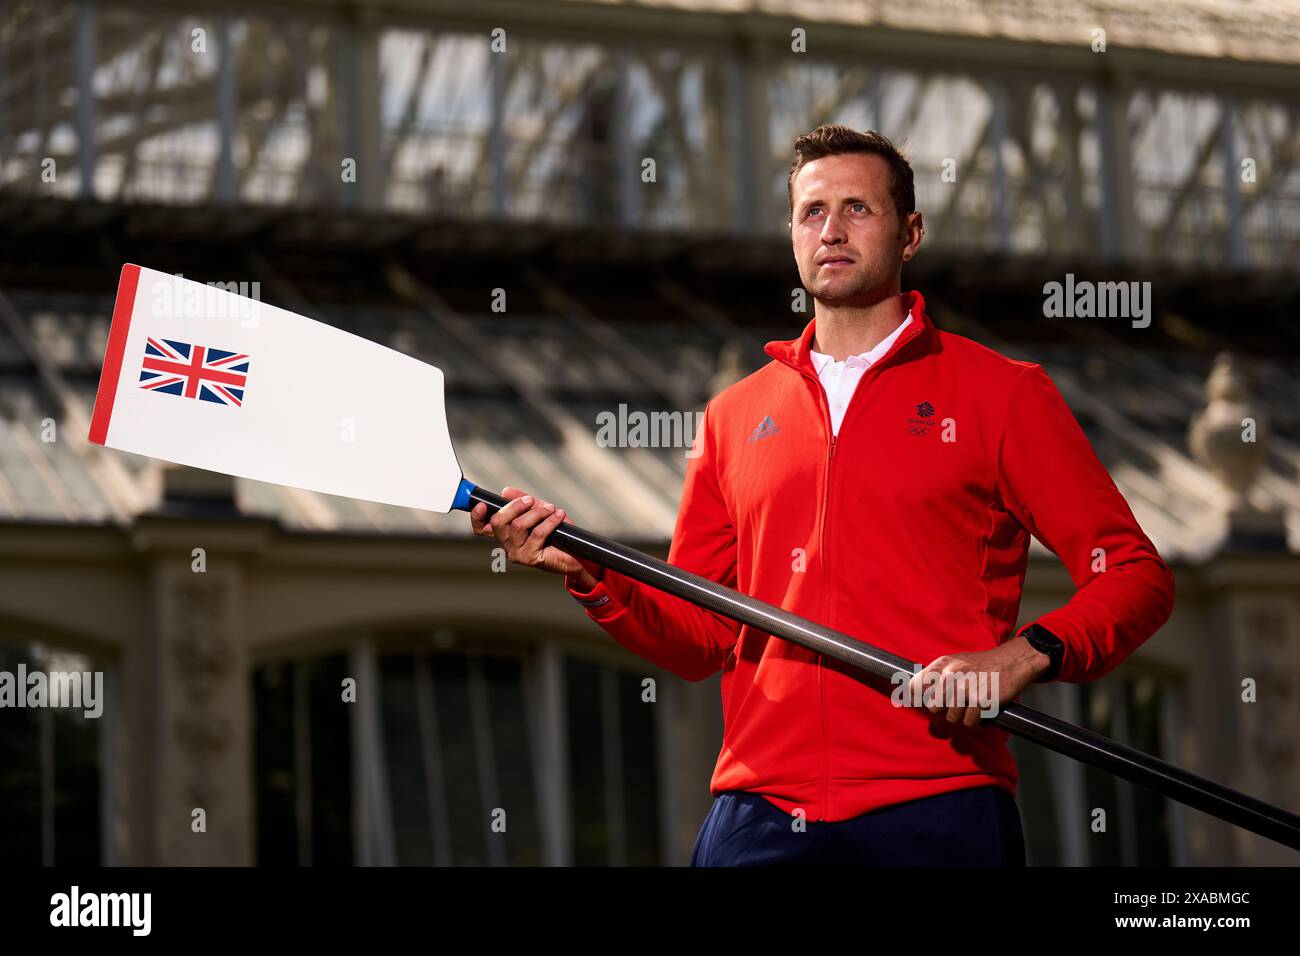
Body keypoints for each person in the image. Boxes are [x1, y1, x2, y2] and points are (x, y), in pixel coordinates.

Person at [470, 124, 1176, 866]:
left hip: (938, 803)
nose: (831, 230)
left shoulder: (1003, 395)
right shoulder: (732, 415)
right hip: (759, 815)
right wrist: (588, 574)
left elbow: (1134, 575)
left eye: (857, 209)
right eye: (812, 212)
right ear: (791, 234)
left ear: (910, 234)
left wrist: (1022, 656)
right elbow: (696, 634)